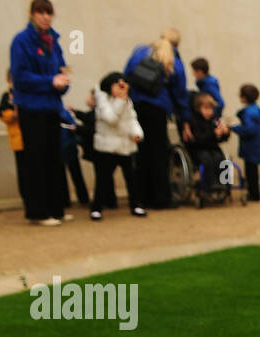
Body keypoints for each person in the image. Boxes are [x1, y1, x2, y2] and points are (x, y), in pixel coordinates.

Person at [8, 0, 69, 225]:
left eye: (49, 13)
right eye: (41, 12)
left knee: (54, 158)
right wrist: (50, 81)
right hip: (31, 108)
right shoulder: (21, 41)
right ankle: (38, 212)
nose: (45, 17)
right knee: (36, 160)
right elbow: (20, 76)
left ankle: (56, 209)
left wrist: (63, 82)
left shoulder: (55, 41)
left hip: (52, 107)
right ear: (32, 14)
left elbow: (61, 68)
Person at [124, 31, 191, 208]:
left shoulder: (139, 52)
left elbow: (127, 74)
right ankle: (161, 198)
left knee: (141, 153)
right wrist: (183, 119)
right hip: (158, 110)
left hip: (137, 108)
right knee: (159, 155)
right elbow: (180, 94)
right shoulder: (174, 61)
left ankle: (141, 197)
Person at [90, 72, 145, 220]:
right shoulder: (103, 101)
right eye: (118, 85)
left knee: (131, 178)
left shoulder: (127, 102)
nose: (122, 88)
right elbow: (111, 118)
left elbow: (131, 119)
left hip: (125, 146)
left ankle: (136, 205)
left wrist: (137, 133)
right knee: (103, 179)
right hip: (107, 147)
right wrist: (120, 100)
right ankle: (96, 208)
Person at [227, 84, 260, 202]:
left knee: (251, 171)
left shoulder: (249, 113)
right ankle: (253, 192)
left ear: (244, 97)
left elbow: (248, 130)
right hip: (257, 143)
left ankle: (254, 194)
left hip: (251, 145)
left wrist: (233, 127)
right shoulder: (255, 109)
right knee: (252, 170)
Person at [185, 93, 230, 194]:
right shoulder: (194, 121)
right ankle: (212, 184)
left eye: (211, 109)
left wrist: (225, 133)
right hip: (199, 149)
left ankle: (224, 183)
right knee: (207, 160)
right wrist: (213, 134)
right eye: (206, 109)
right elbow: (198, 139)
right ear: (198, 108)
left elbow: (220, 139)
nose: (209, 112)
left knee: (222, 159)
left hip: (213, 148)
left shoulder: (214, 120)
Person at [0, 71, 25, 202]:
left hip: (31, 137)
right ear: (9, 81)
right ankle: (26, 198)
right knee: (23, 170)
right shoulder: (7, 96)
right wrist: (12, 115)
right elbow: (1, 114)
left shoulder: (26, 94)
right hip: (18, 139)